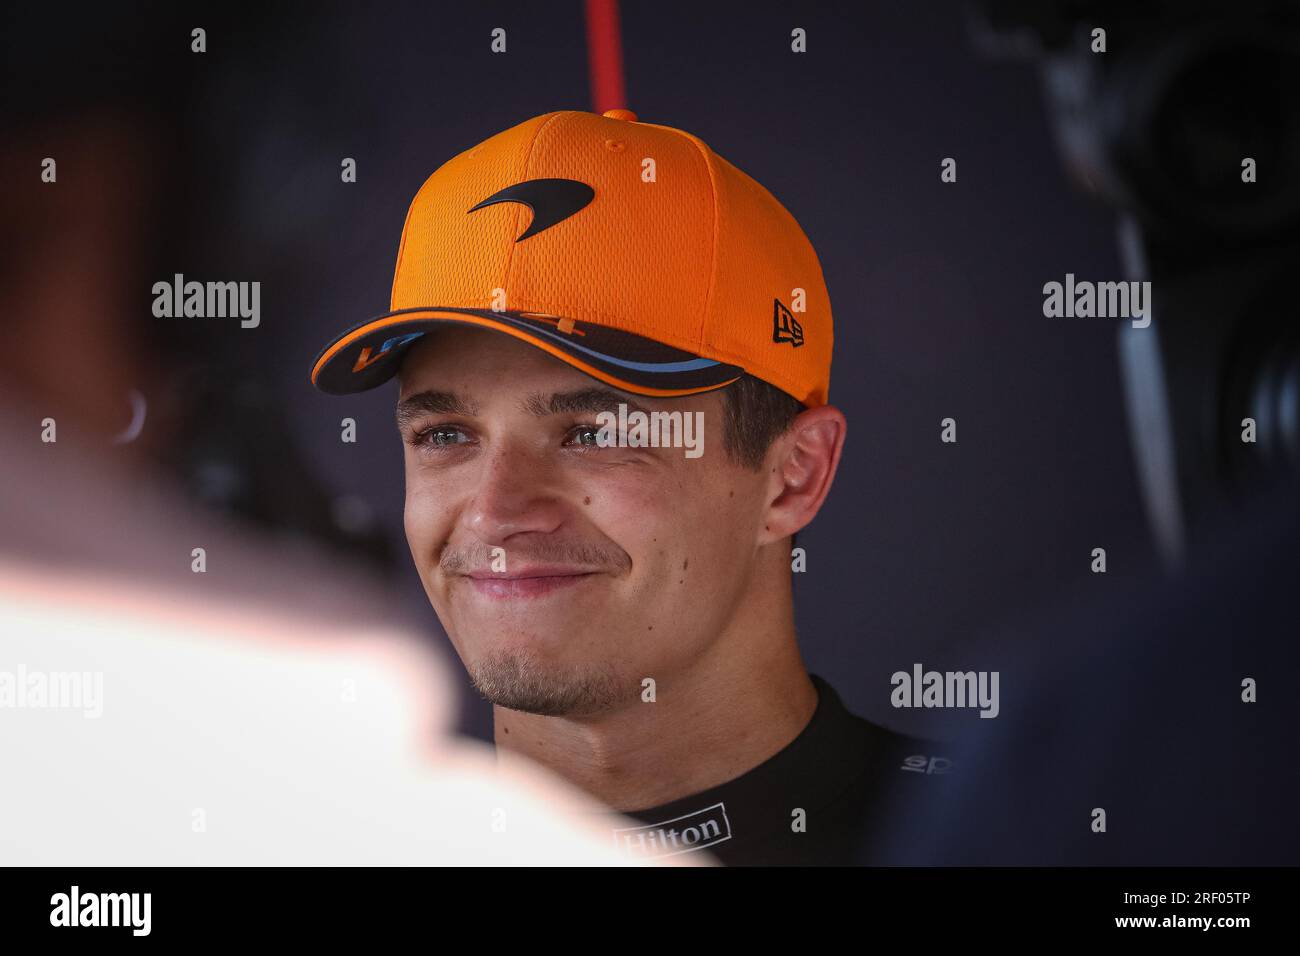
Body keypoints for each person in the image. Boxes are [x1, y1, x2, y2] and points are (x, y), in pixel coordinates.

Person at [310, 108, 948, 864]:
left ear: (792, 477)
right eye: (446, 435)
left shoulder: (1012, 832)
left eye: (596, 434)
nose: (494, 511)